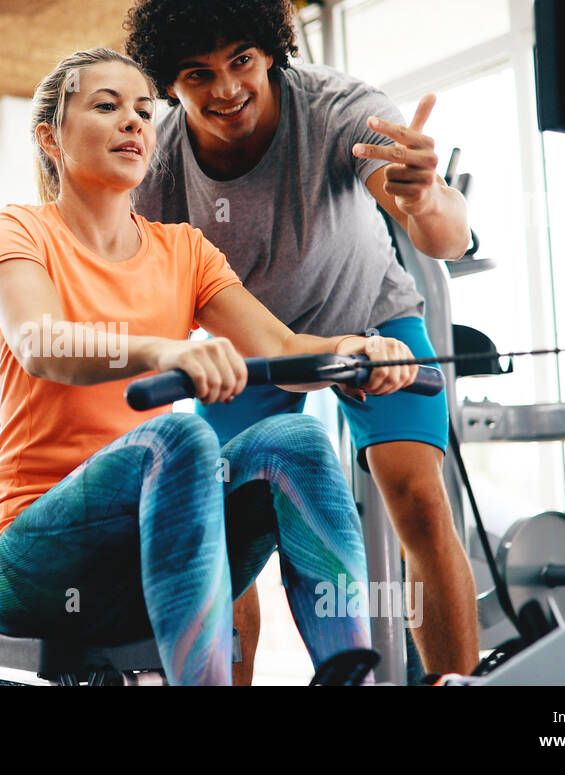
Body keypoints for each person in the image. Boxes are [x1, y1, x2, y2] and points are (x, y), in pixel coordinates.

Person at [0, 48, 420, 685]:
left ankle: (348, 674)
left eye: (143, 110)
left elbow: (282, 349)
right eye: (107, 107)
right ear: (51, 137)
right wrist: (166, 350)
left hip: (151, 555)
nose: (134, 123)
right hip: (34, 562)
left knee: (294, 438)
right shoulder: (19, 229)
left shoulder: (183, 248)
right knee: (179, 435)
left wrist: (357, 353)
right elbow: (42, 343)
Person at [124, 0, 479, 679]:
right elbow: (141, 297)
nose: (226, 89)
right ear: (170, 84)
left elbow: (445, 236)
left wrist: (425, 198)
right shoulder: (161, 165)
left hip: (372, 323)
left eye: (241, 62)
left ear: (270, 52)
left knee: (416, 495)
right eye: (198, 75)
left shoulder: (338, 108)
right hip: (250, 349)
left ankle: (454, 680)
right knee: (220, 536)